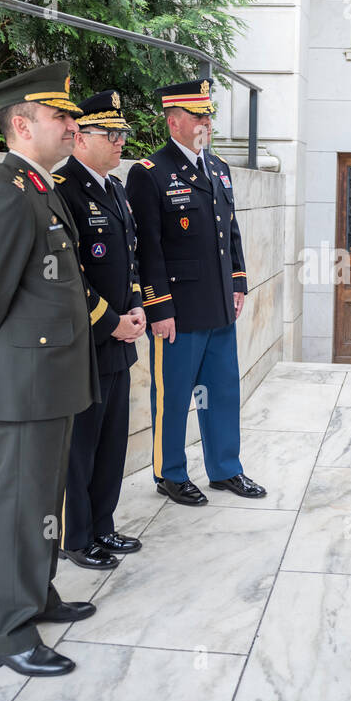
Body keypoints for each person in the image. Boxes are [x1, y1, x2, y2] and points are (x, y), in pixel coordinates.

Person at [0, 62, 100, 678]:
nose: (72, 125)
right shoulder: (5, 192)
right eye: (61, 117)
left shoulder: (40, 186)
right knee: (21, 503)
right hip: (25, 378)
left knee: (43, 498)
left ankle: (36, 595)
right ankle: (6, 632)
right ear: (21, 124)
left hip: (50, 375)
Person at [125, 77, 267, 505]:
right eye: (198, 114)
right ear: (174, 121)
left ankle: (225, 469)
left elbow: (231, 231)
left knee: (222, 391)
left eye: (209, 114)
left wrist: (238, 281)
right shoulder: (149, 173)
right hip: (178, 312)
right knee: (173, 395)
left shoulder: (218, 167)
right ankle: (169, 473)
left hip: (221, 305)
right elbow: (146, 248)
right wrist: (158, 306)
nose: (207, 121)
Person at [53, 90, 146, 569]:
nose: (119, 142)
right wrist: (112, 323)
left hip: (119, 341)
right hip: (86, 343)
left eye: (122, 133)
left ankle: (104, 526)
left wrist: (136, 309)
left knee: (112, 442)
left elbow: (129, 260)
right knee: (81, 447)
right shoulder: (63, 188)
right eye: (110, 134)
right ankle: (77, 537)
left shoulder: (115, 188)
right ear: (80, 137)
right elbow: (70, 276)